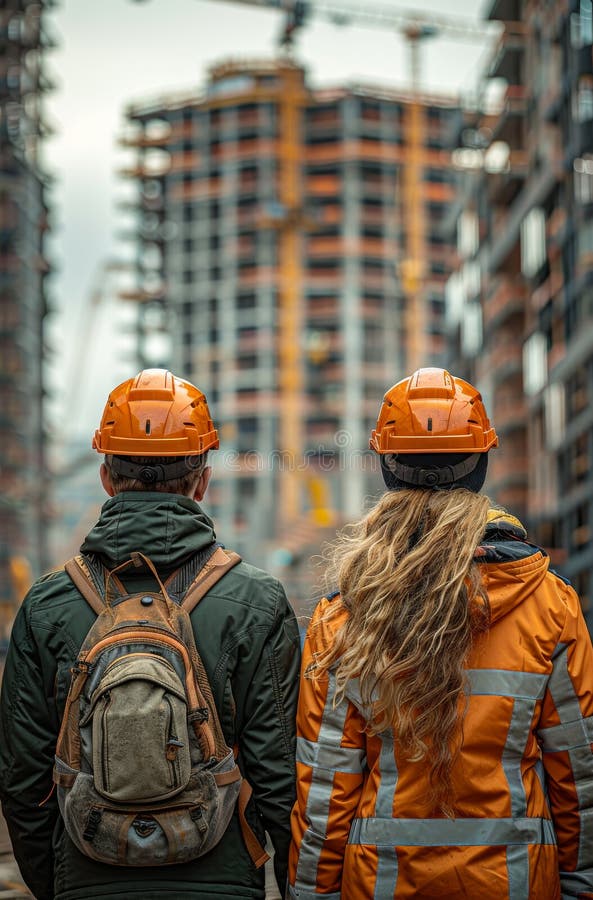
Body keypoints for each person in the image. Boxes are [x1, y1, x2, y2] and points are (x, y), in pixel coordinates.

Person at [288, 367, 593, 899]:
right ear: (481, 464)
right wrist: (580, 885)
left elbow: (325, 790)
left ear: (388, 466)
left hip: (382, 884)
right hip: (516, 883)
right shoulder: (550, 603)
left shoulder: (344, 616)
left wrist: (313, 893)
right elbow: (579, 775)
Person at [0, 368, 301, 900]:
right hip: (222, 882)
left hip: (85, 879)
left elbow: (22, 781)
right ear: (202, 480)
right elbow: (280, 776)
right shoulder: (258, 601)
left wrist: (60, 882)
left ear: (105, 477)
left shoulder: (47, 606)